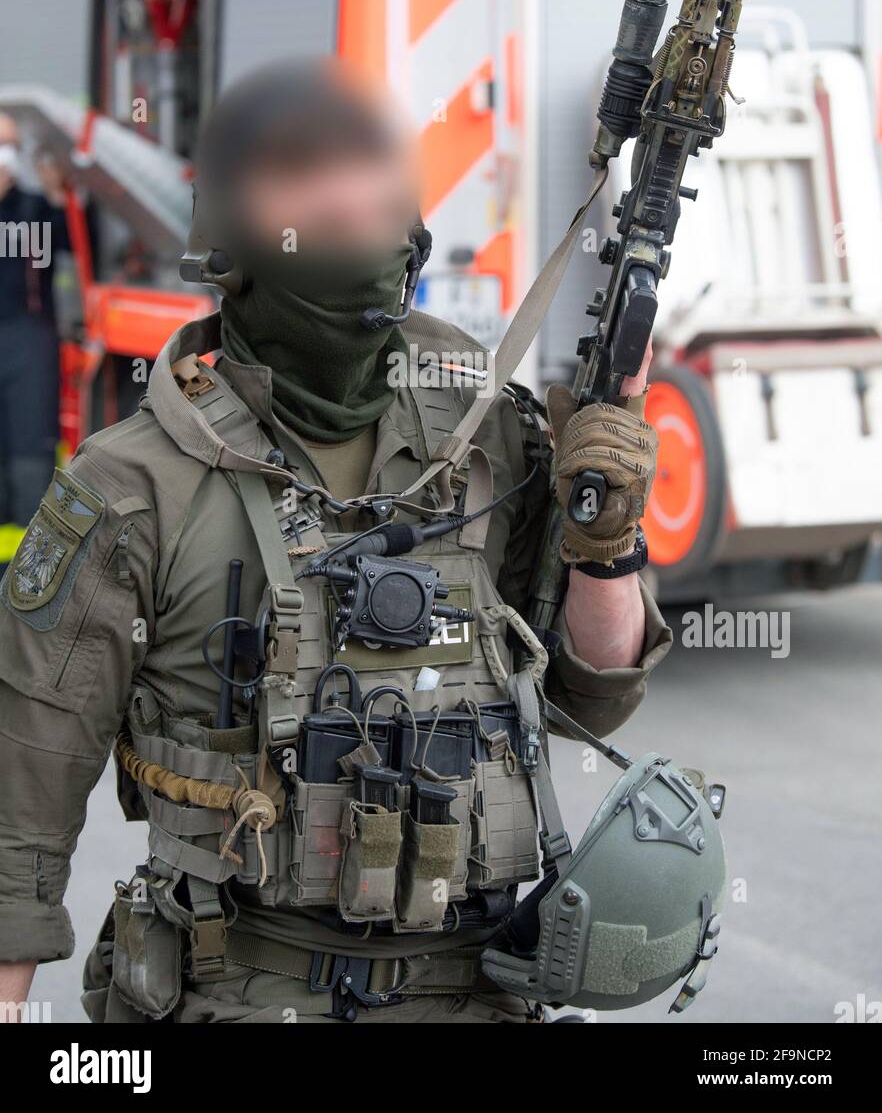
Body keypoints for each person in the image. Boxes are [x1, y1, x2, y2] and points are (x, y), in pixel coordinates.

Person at [0, 60, 670, 1024]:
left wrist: (606, 534)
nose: (346, 202)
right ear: (226, 234)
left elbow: (592, 693)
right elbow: (26, 777)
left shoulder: (489, 433)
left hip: (478, 993)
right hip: (234, 987)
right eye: (303, 183)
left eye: (368, 182)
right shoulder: (134, 484)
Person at [0, 114, 69, 573]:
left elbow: (77, 245)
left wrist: (60, 196)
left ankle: (30, 578)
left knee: (30, 458)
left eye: (9, 145)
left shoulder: (37, 209)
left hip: (29, 345)